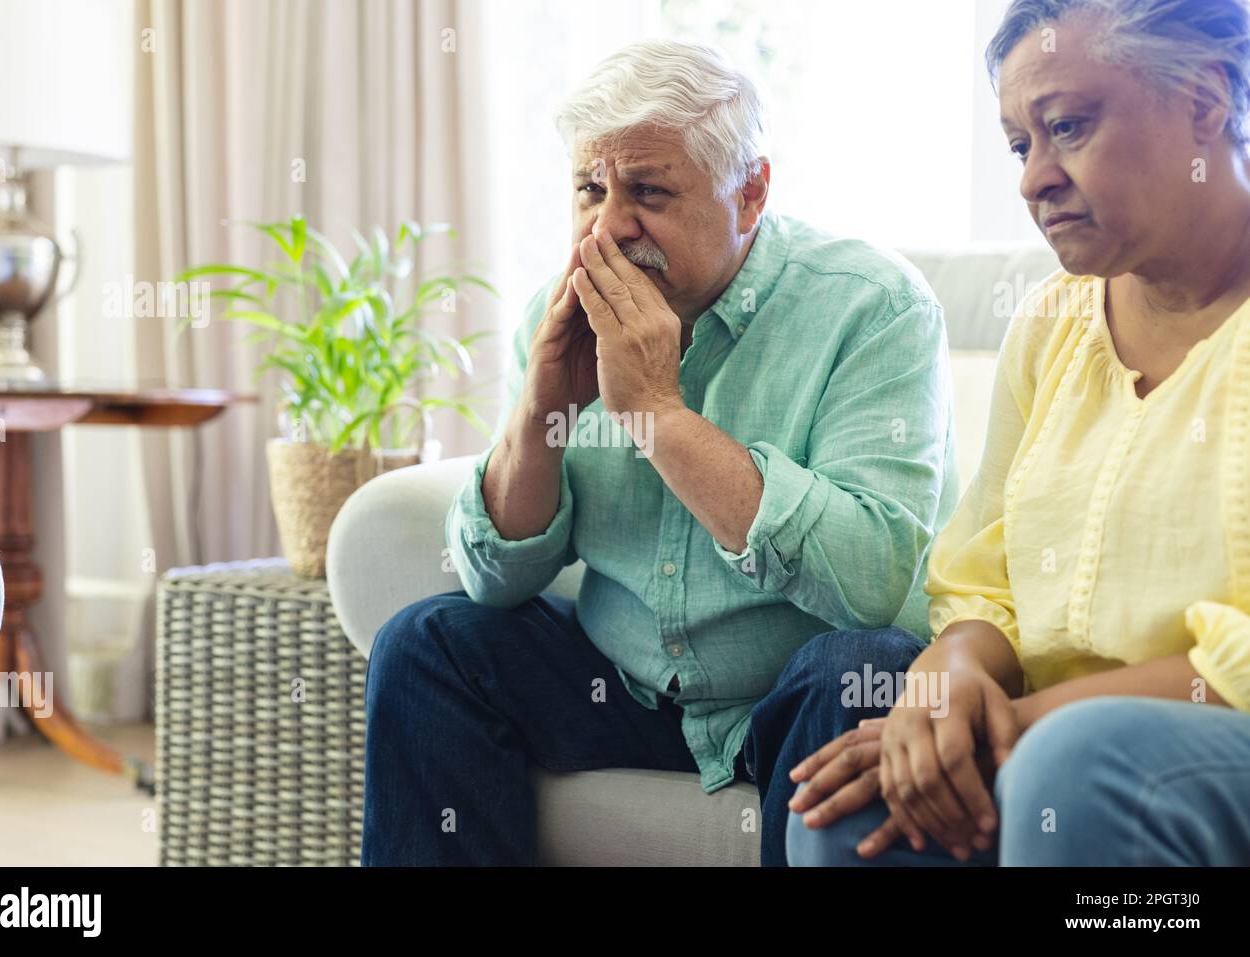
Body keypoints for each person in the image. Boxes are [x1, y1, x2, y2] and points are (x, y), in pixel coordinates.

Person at [361, 38, 958, 866]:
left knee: (868, 666)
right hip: (625, 684)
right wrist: (538, 411)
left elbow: (872, 580)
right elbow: (497, 581)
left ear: (749, 193)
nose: (608, 227)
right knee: (430, 643)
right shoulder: (555, 311)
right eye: (589, 189)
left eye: (647, 192)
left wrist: (656, 414)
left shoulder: (875, 308)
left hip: (798, 692)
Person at [788, 0, 1250, 867]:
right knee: (852, 814)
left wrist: (1025, 722)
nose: (1034, 178)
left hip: (1160, 749)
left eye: (1067, 127)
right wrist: (955, 670)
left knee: (1075, 770)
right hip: (1050, 750)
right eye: (1018, 144)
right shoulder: (1049, 325)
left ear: (1204, 99)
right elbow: (986, 576)